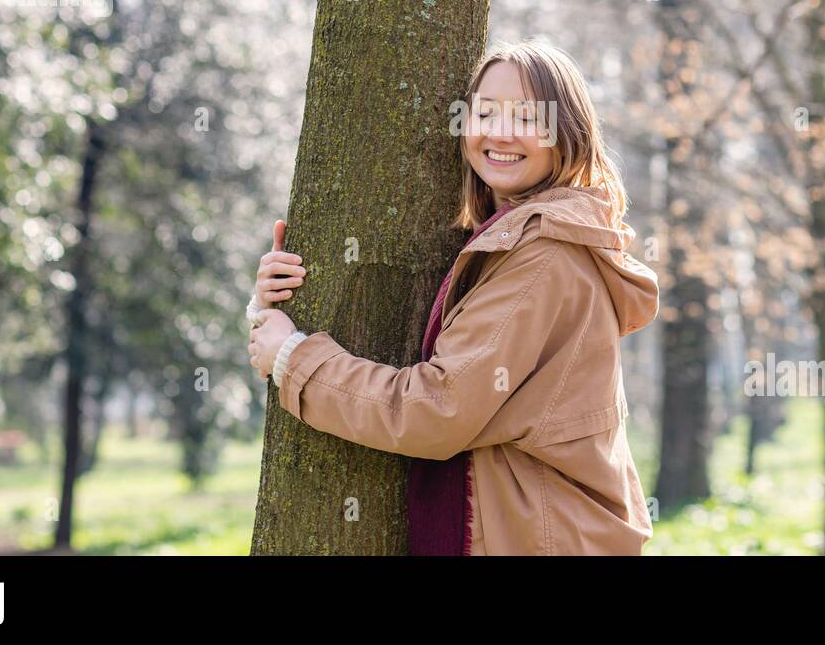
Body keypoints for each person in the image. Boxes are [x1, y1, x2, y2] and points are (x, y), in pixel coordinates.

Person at [246, 40, 659, 555]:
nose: (499, 132)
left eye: (527, 117)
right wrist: (278, 306)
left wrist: (295, 358)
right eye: (484, 112)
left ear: (564, 133)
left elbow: (437, 409)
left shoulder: (545, 256)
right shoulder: (507, 240)